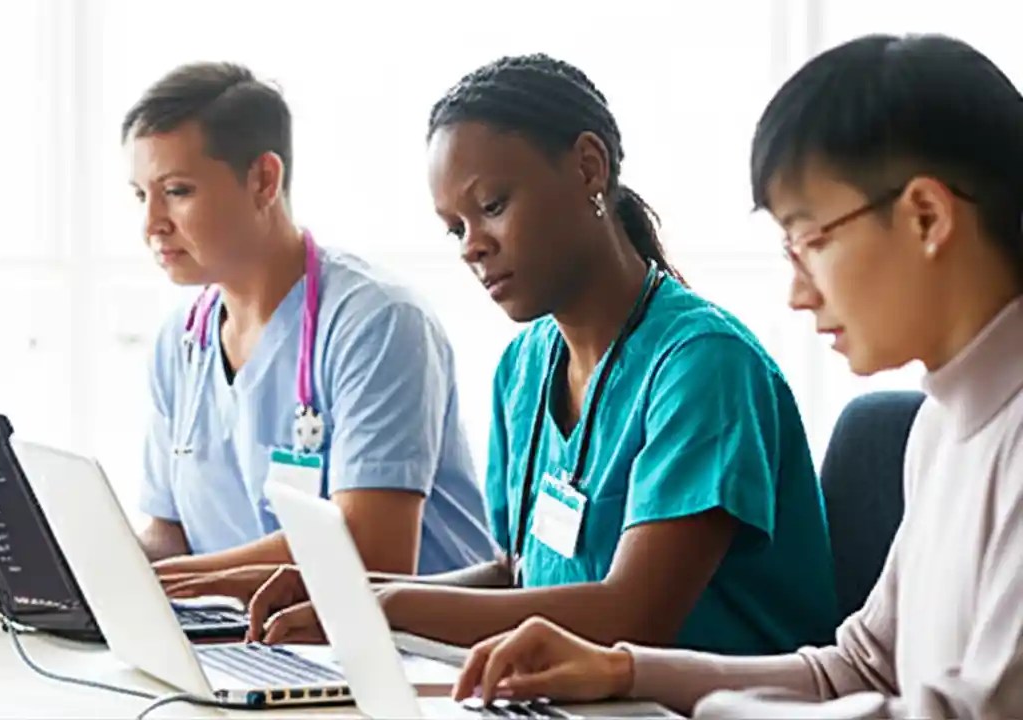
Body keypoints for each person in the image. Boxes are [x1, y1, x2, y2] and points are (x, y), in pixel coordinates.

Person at [452, 34, 1023, 720]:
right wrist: (622, 669)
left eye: (811, 240)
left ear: (926, 217)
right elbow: (861, 667)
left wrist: (726, 713)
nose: (797, 293)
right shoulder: (944, 422)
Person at [238, 53, 837, 656]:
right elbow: (517, 576)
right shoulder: (523, 368)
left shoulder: (703, 366)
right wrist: (347, 589)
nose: (473, 247)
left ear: (587, 168)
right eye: (456, 228)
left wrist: (379, 605)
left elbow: (631, 615)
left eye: (493, 207)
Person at [125, 61, 496, 585]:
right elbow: (170, 536)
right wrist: (91, 572)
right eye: (141, 195)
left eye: (178, 191)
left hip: (411, 654)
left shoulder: (378, 323)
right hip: (245, 646)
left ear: (263, 180)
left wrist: (172, 584)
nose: (151, 224)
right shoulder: (180, 343)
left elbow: (373, 554)